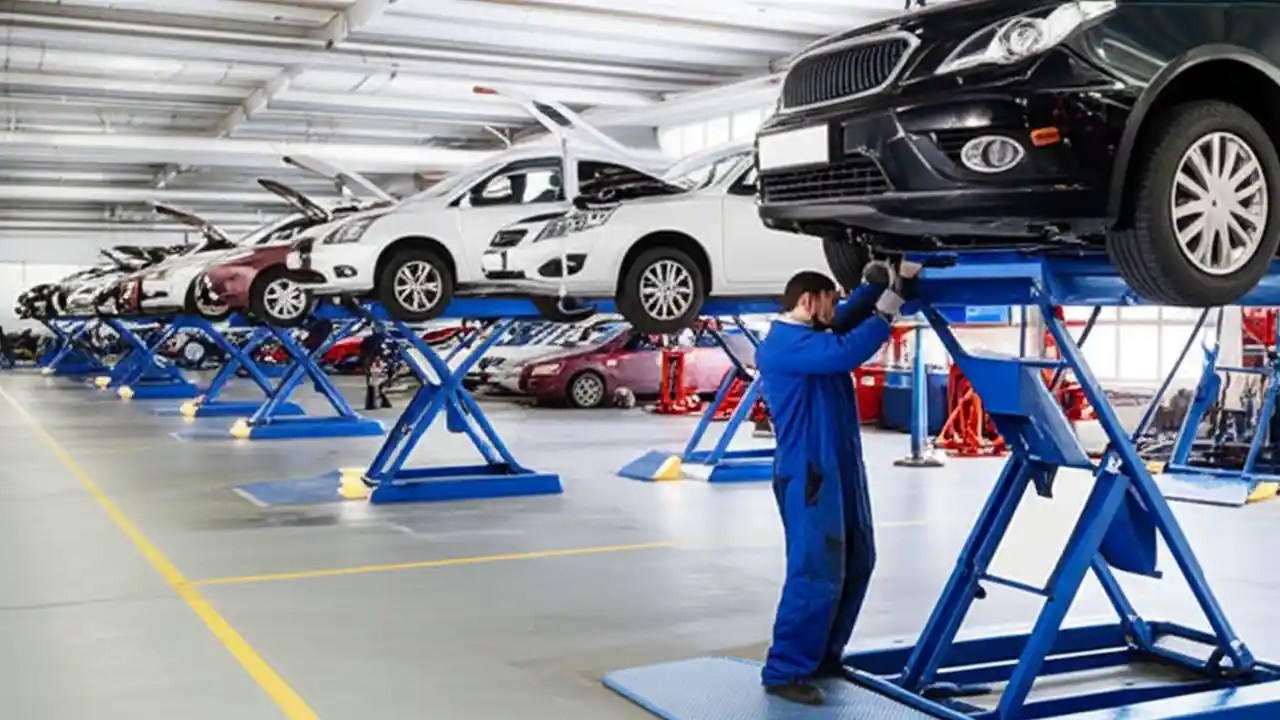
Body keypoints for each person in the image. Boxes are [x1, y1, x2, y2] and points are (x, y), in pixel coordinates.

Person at [755, 261, 920, 706]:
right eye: (829, 301)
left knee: (859, 558)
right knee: (815, 570)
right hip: (809, 473)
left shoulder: (810, 332)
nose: (836, 309)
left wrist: (875, 284)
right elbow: (845, 351)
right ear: (808, 303)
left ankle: (825, 654)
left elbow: (844, 319)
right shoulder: (782, 346)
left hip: (841, 466)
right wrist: (888, 310)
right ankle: (785, 670)